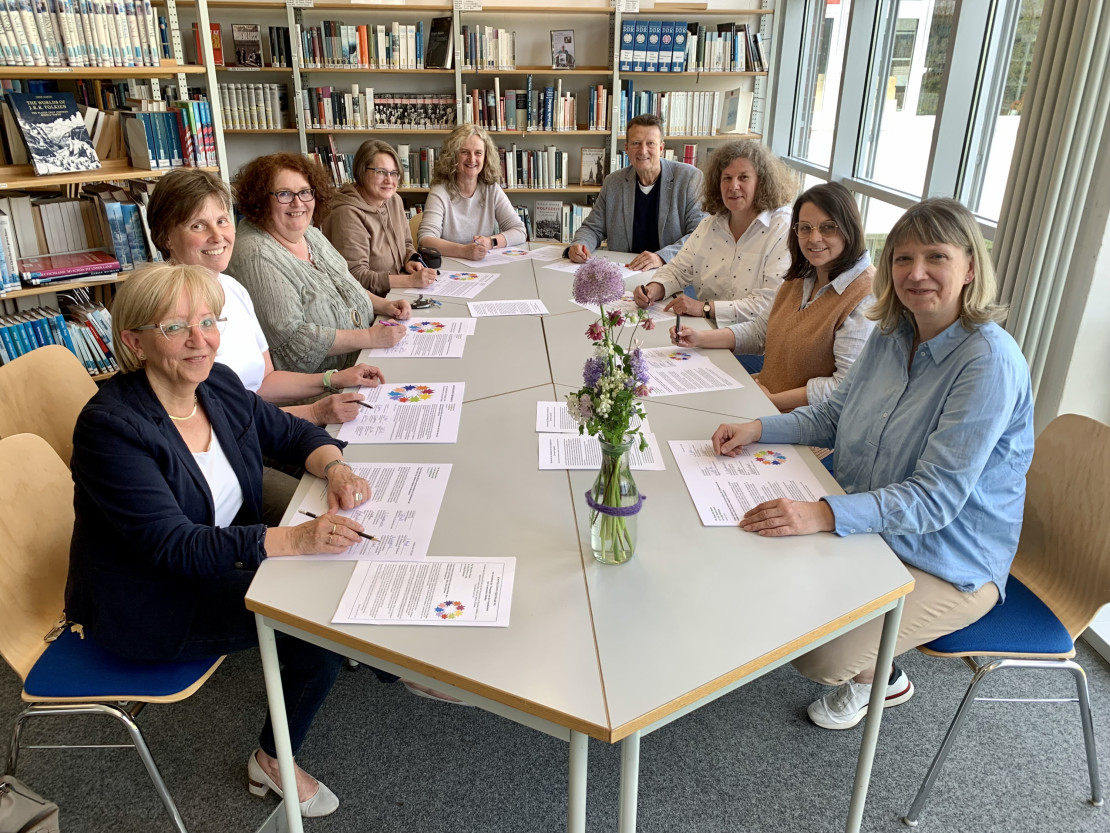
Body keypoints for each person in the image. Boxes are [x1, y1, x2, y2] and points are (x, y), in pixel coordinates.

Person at [710, 198, 1034, 731]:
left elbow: (935, 499)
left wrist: (822, 515)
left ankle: (881, 678)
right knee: (754, 565)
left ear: (971, 267)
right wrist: (758, 428)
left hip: (950, 557)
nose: (916, 273)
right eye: (902, 259)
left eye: (936, 257)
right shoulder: (891, 333)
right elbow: (836, 414)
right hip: (873, 516)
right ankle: (874, 653)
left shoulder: (988, 361)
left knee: (821, 658)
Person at [65, 264, 376, 817]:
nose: (200, 339)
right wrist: (294, 540)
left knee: (332, 578)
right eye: (175, 327)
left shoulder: (217, 385)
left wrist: (335, 470)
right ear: (134, 341)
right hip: (154, 598)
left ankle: (389, 664)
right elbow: (173, 547)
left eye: (209, 321)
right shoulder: (110, 427)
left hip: (221, 556)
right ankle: (272, 760)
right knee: (315, 623)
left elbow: (294, 433)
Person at [149, 168, 386, 428]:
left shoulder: (231, 288)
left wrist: (334, 378)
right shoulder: (167, 313)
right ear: (166, 237)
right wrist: (314, 413)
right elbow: (212, 422)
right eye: (198, 226)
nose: (217, 236)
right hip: (240, 446)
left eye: (222, 221)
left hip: (266, 424)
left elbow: (263, 381)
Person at [672, 182, 875, 414]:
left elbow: (843, 387)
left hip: (807, 429)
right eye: (805, 228)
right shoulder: (803, 274)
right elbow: (760, 333)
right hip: (765, 402)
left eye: (828, 228)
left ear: (849, 228)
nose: (814, 238)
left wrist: (772, 401)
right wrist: (700, 338)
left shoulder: (865, 295)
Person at [226, 152, 408, 375]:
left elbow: (346, 286)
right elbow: (292, 341)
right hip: (322, 390)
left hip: (363, 362)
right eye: (284, 194)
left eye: (304, 192)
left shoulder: (311, 235)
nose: (297, 203)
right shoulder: (255, 256)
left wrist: (385, 305)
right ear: (261, 199)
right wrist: (369, 337)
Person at [636, 139, 795, 327]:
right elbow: (678, 269)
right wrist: (654, 289)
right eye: (726, 178)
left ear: (762, 181)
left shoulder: (783, 228)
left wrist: (704, 308)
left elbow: (767, 304)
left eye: (743, 177)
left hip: (755, 343)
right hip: (707, 330)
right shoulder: (711, 224)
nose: (733, 186)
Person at [568, 113, 706, 272]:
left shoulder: (689, 178)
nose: (643, 151)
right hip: (626, 272)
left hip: (671, 272)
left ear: (661, 148)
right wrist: (579, 245)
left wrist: (662, 257)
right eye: (636, 143)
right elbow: (593, 228)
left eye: (651, 143)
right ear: (626, 147)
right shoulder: (613, 182)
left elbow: (700, 235)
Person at [320, 139, 439, 295]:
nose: (389, 180)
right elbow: (355, 276)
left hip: (397, 292)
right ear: (362, 171)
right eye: (381, 172)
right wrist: (409, 281)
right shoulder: (347, 214)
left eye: (394, 173)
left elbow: (406, 243)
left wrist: (410, 259)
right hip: (370, 305)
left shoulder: (394, 200)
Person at [417, 124, 527, 261]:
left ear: (485, 157)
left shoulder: (491, 189)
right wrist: (464, 251)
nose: (472, 159)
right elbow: (426, 239)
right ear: (453, 156)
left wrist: (490, 242)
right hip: (450, 267)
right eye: (464, 152)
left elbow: (520, 231)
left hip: (483, 266)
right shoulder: (440, 191)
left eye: (478, 153)